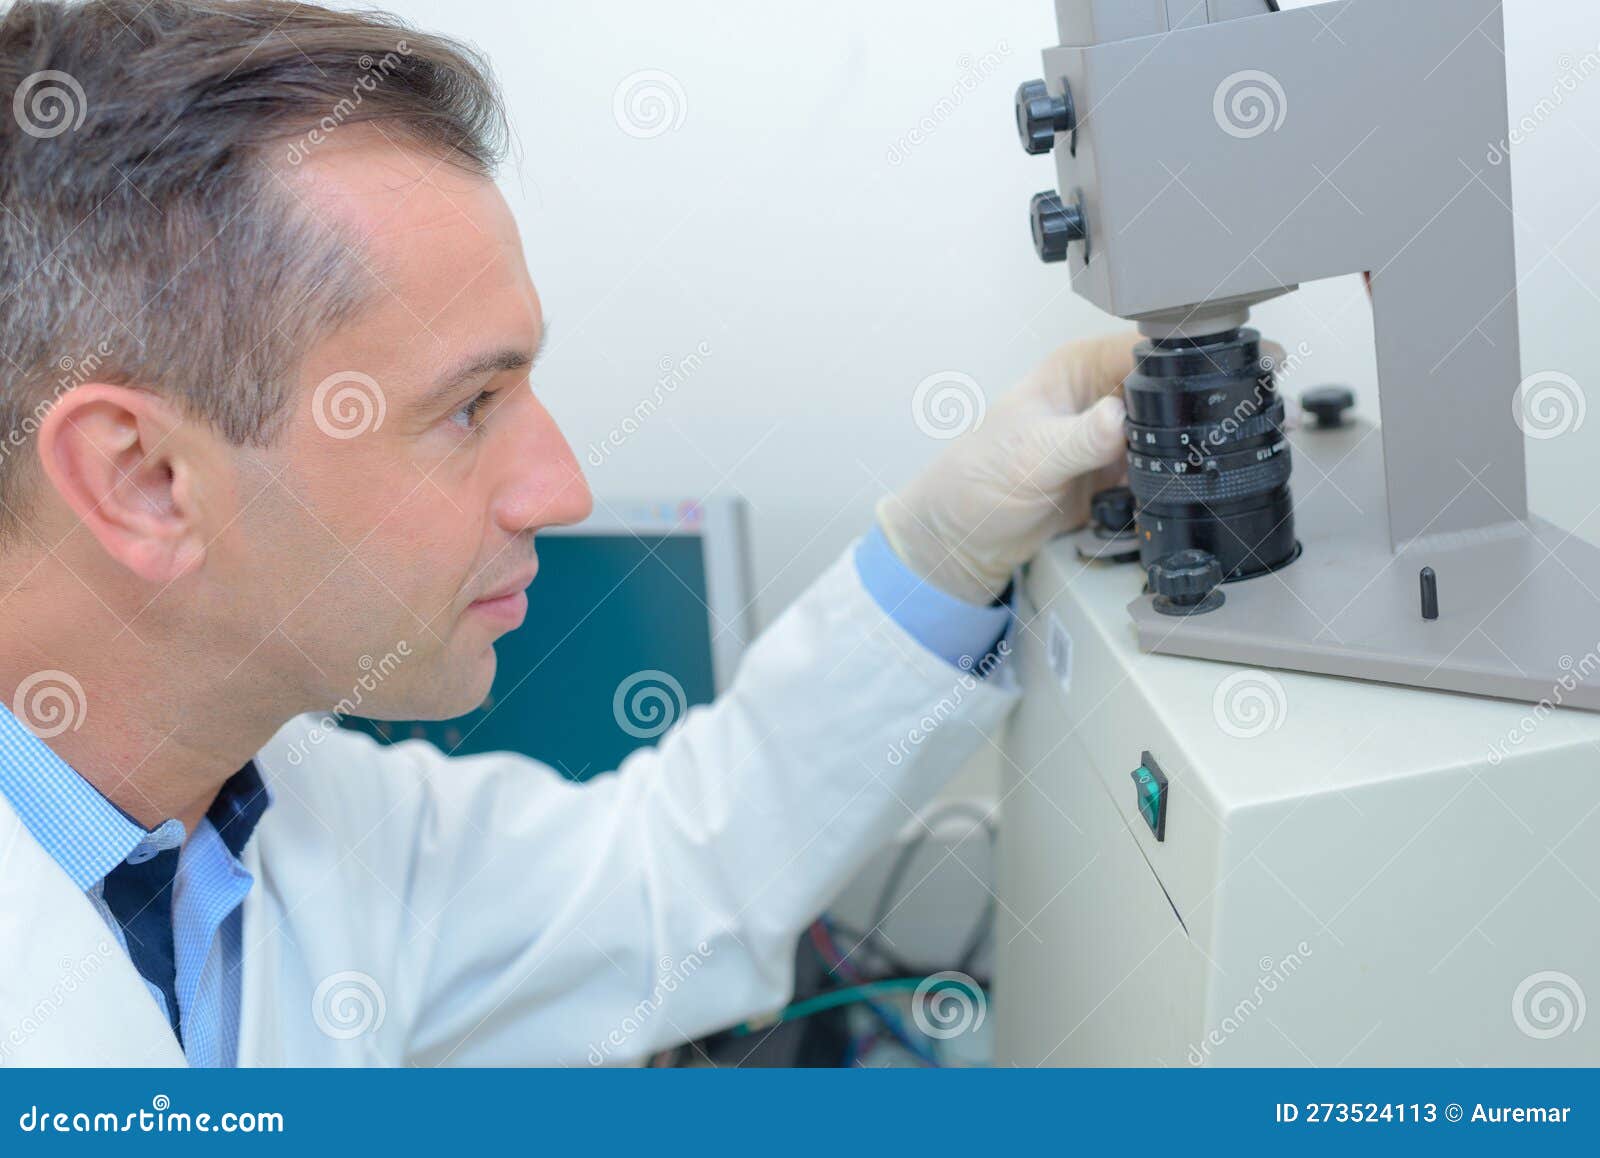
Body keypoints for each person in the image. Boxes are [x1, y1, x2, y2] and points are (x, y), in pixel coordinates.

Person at [0, 0, 1135, 1066]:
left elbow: (670, 884)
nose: (561, 489)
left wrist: (941, 551)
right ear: (143, 480)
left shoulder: (284, 824)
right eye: (468, 408)